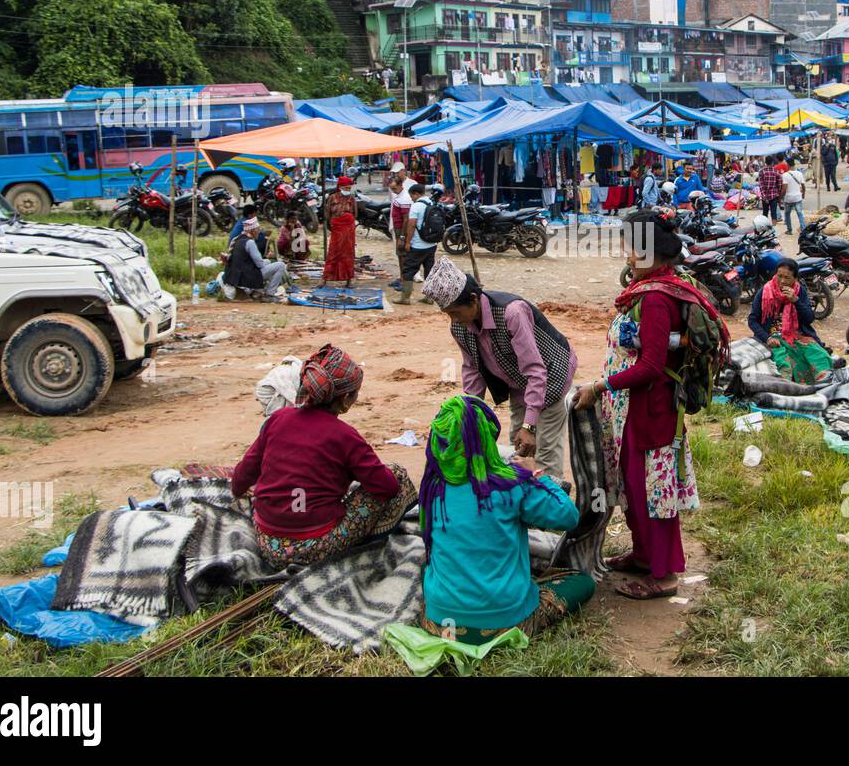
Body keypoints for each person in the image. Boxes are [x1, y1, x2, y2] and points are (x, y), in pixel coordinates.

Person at [573, 210, 727, 600]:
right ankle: (644, 555)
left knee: (654, 494)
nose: (625, 256)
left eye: (630, 249)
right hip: (632, 413)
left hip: (651, 412)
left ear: (649, 254)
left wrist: (601, 385)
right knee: (634, 486)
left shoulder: (657, 298)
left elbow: (652, 365)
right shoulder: (653, 288)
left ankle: (664, 575)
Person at [418, 395, 594, 644]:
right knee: (582, 581)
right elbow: (568, 516)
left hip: (440, 623)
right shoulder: (511, 484)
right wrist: (537, 473)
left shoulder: (431, 488)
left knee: (432, 568)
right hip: (508, 622)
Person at [232, 345, 412, 568]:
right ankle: (368, 548)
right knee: (397, 474)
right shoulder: (345, 436)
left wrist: (242, 491)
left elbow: (242, 475)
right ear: (346, 398)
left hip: (269, 544)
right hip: (317, 546)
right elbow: (387, 487)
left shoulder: (278, 419)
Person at [423, 257, 578, 486]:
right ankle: (525, 509)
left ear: (473, 300)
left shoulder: (512, 313)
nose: (454, 320)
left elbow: (536, 371)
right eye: (449, 315)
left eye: (455, 312)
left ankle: (552, 512)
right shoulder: (460, 326)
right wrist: (471, 413)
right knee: (518, 449)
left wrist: (529, 426)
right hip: (516, 382)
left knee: (544, 451)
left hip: (552, 376)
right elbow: (472, 369)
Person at [748, 259, 833, 383]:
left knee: (818, 354)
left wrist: (796, 301)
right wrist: (767, 338)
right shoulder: (765, 292)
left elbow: (809, 318)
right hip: (772, 337)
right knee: (783, 362)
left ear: (795, 279)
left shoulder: (800, 292)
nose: (782, 281)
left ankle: (822, 383)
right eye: (779, 276)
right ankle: (788, 389)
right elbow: (752, 320)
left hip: (796, 334)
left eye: (787, 278)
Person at [395, 182, 439, 304]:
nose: (411, 199)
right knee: (429, 270)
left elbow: (411, 224)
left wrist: (407, 242)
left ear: (416, 194)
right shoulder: (431, 203)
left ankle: (405, 298)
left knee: (408, 269)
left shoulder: (416, 206)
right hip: (431, 244)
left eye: (411, 196)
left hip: (418, 245)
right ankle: (429, 297)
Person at [223, 216, 286, 299]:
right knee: (280, 265)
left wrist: (267, 262)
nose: (259, 232)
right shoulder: (250, 242)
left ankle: (261, 290)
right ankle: (270, 293)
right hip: (247, 277)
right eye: (258, 230)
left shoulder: (236, 239)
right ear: (252, 230)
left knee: (267, 261)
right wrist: (269, 261)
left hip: (236, 276)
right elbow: (260, 264)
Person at [320, 176, 358, 288]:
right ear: (340, 187)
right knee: (333, 252)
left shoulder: (352, 198)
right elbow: (327, 214)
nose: (347, 190)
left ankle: (349, 279)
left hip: (349, 229)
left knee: (348, 253)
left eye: (349, 188)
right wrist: (332, 223)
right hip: (337, 228)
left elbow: (355, 213)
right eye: (346, 188)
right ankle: (325, 278)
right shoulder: (332, 198)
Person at [389, 163, 414, 287]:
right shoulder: (399, 195)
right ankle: (402, 278)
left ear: (400, 186)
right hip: (398, 227)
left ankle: (405, 280)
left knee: (403, 255)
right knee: (400, 255)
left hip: (402, 229)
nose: (393, 191)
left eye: (394, 188)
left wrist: (402, 237)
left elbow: (406, 219)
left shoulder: (404, 198)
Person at [781, 163, 806, 235]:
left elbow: (784, 188)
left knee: (787, 214)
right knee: (800, 213)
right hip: (798, 197)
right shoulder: (799, 174)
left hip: (788, 198)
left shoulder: (785, 175)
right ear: (794, 165)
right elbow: (803, 186)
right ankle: (803, 229)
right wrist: (803, 194)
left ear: (788, 166)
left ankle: (789, 230)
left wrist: (780, 197)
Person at [757, 156, 783, 223]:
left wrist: (764, 197)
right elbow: (780, 184)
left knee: (765, 213)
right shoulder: (776, 171)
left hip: (765, 196)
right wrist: (778, 193)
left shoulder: (761, 171)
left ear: (765, 162)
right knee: (773, 214)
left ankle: (764, 228)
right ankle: (773, 229)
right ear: (772, 162)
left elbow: (761, 185)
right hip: (774, 195)